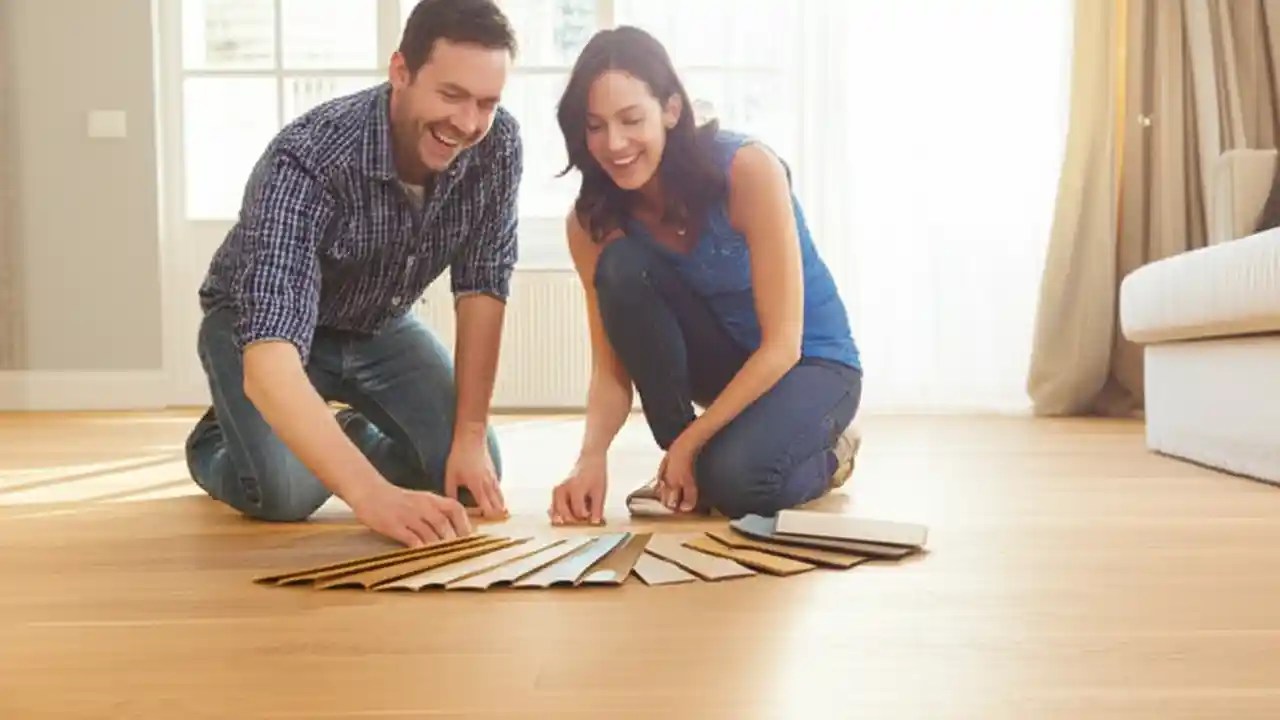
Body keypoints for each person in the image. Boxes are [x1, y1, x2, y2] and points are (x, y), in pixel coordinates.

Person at [185, 0, 521, 548]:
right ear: (401, 72)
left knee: (462, 476)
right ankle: (219, 441)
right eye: (451, 94)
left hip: (377, 322)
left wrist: (470, 434)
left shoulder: (498, 143)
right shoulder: (308, 159)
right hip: (262, 334)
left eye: (486, 102)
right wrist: (371, 496)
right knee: (285, 494)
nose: (467, 123)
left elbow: (483, 283)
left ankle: (335, 433)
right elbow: (270, 361)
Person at [548, 26, 864, 524]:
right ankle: (689, 470)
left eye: (631, 119)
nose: (614, 143)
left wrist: (696, 443)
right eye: (594, 126)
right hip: (728, 368)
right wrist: (589, 460)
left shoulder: (748, 170)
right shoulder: (592, 224)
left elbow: (784, 344)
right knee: (622, 268)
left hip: (813, 364)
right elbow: (611, 370)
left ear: (671, 110)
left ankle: (830, 452)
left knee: (738, 484)